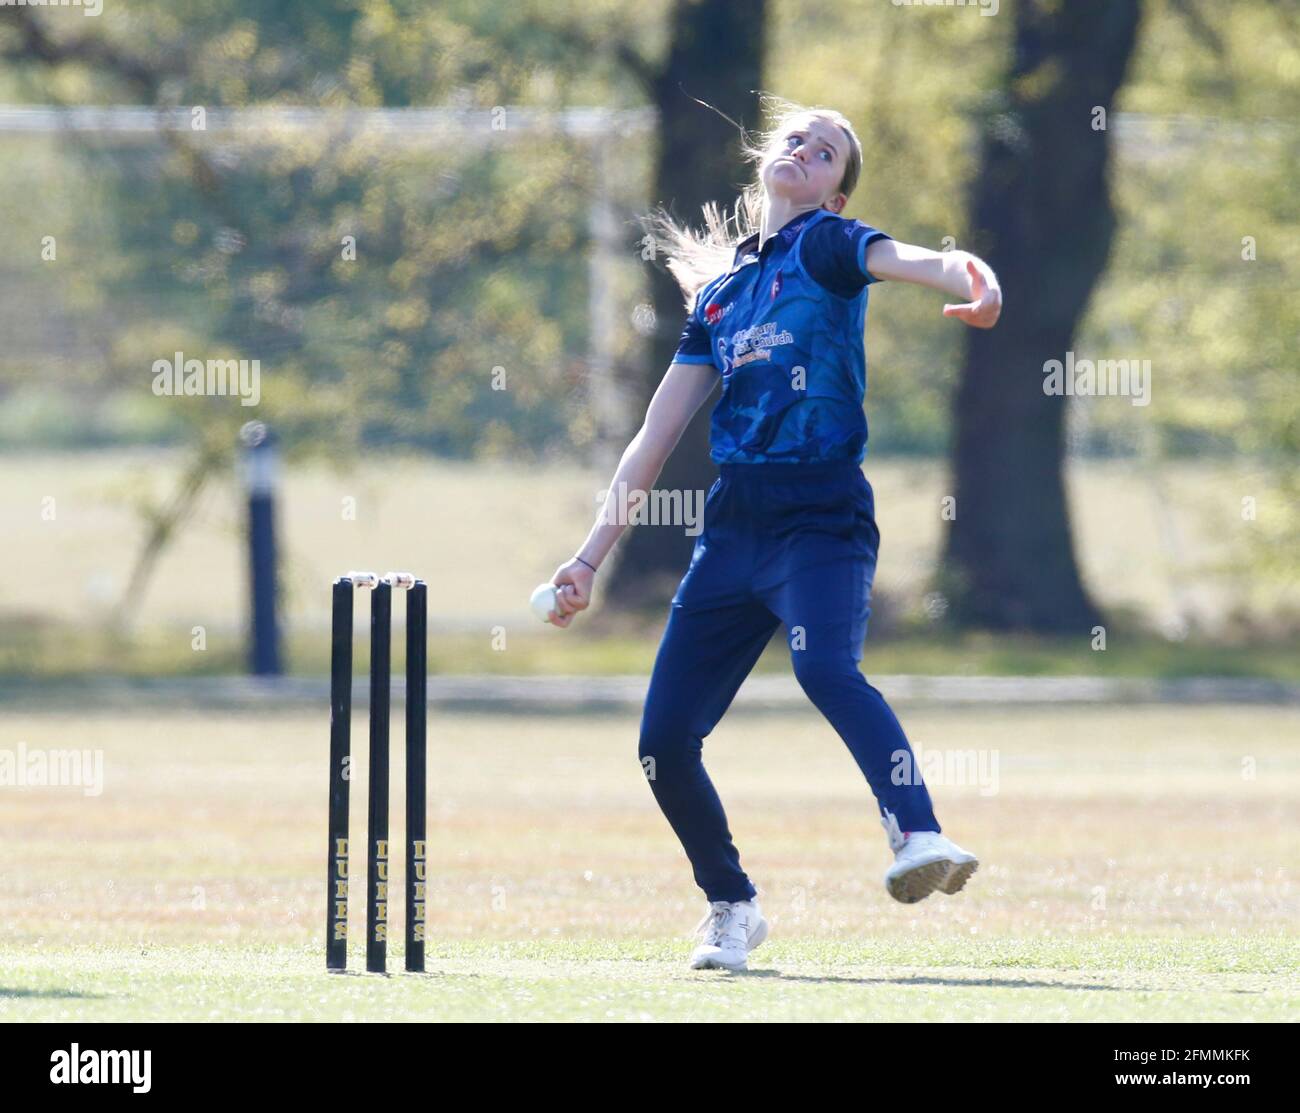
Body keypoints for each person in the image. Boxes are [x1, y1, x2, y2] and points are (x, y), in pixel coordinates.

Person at [543, 97, 1000, 972]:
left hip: (822, 516)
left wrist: (981, 284)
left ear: (835, 193)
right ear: (765, 158)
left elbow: (923, 260)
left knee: (825, 667)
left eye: (826, 151)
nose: (806, 149)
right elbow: (653, 437)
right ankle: (731, 906)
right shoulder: (717, 295)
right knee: (662, 743)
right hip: (735, 530)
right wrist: (589, 556)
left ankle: (918, 833)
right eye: (797, 138)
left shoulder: (830, 243)